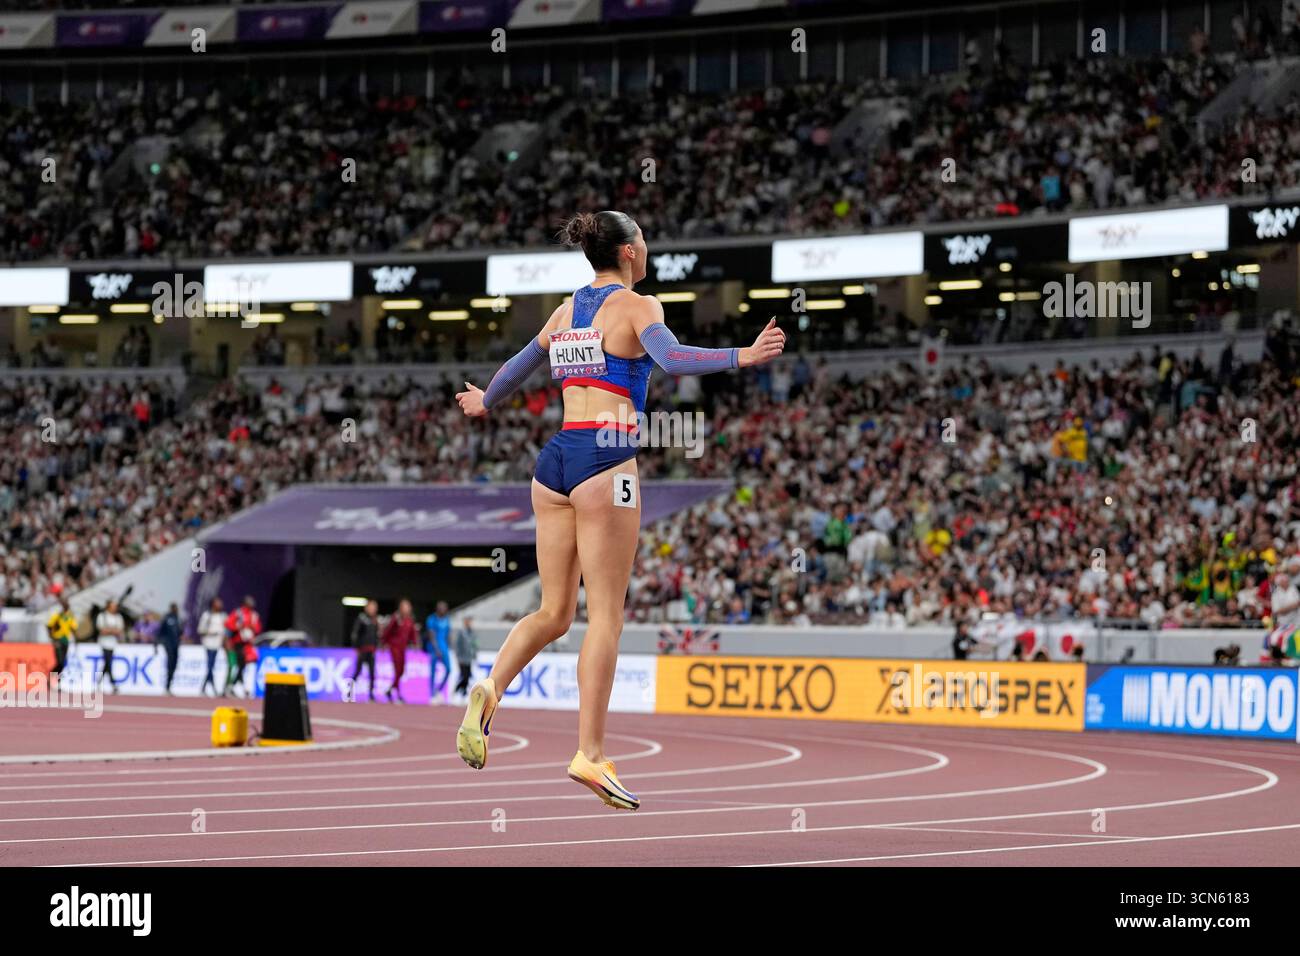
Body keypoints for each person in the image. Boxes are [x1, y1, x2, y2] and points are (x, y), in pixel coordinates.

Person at [454, 209, 785, 809]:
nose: (649, 246)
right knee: (605, 615)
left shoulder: (564, 310)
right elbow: (675, 359)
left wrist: (487, 401)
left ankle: (490, 689)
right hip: (606, 458)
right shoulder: (639, 306)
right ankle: (590, 752)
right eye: (645, 239)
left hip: (553, 462)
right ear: (629, 253)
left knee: (553, 611)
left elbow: (518, 367)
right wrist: (744, 356)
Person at [223, 595, 262, 698]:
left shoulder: (254, 615)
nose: (252, 603)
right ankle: (234, 686)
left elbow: (258, 629)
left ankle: (237, 686)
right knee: (237, 665)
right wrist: (239, 626)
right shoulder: (238, 613)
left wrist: (252, 628)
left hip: (248, 644)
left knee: (244, 665)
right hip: (237, 644)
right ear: (245, 602)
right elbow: (228, 624)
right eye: (250, 601)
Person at [381, 599, 419, 703]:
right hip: (394, 647)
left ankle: (390, 690)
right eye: (405, 606)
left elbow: (412, 633)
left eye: (408, 606)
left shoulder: (409, 620)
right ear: (400, 607)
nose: (407, 608)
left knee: (401, 670)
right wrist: (384, 642)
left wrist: (415, 644)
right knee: (398, 670)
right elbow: (388, 631)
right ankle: (397, 694)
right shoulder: (396, 618)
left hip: (403, 648)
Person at [349, 600, 380, 702]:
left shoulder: (375, 620)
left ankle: (371, 694)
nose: (373, 609)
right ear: (366, 608)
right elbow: (355, 634)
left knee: (372, 673)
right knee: (357, 671)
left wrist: (376, 646)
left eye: (374, 607)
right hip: (362, 650)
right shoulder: (361, 619)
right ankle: (349, 693)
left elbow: (376, 636)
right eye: (371, 607)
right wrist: (356, 648)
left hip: (371, 651)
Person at [94, 599, 126, 694]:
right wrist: (113, 631)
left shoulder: (118, 617)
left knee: (107, 663)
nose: (115, 608)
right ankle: (113, 683)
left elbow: (120, 630)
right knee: (108, 661)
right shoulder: (102, 616)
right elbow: (101, 630)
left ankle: (99, 682)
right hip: (104, 643)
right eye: (113, 606)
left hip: (113, 643)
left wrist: (109, 630)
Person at [424, 601, 453, 705]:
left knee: (449, 670)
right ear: (437, 608)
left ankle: (438, 690)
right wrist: (436, 649)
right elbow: (431, 635)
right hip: (434, 648)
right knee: (433, 671)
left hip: (444, 647)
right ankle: (431, 695)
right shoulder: (431, 619)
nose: (443, 610)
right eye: (441, 608)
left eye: (445, 608)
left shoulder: (447, 619)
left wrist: (450, 647)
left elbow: (448, 634)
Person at [197, 597, 226, 696]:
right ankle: (211, 687)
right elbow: (200, 630)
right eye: (218, 603)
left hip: (217, 644)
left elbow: (225, 630)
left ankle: (204, 687)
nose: (220, 604)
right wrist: (211, 632)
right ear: (213, 604)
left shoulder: (222, 616)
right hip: (208, 643)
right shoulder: (207, 615)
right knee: (210, 665)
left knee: (211, 666)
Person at [46, 596, 77, 685]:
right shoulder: (57, 615)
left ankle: (57, 681)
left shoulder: (70, 616)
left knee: (62, 663)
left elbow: (74, 628)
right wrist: (52, 638)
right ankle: (52, 678)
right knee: (60, 662)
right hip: (58, 640)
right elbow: (49, 626)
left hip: (66, 640)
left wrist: (75, 638)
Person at [154, 603, 182, 695]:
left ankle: (169, 685)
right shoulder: (167, 618)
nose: (176, 610)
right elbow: (160, 631)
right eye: (174, 608)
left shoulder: (178, 619)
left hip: (176, 645)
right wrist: (156, 643)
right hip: (168, 644)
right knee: (169, 664)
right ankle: (167, 686)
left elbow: (180, 632)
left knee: (174, 664)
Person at [453, 616, 479, 701]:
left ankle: (463, 694)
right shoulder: (461, 632)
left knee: (467, 677)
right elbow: (457, 644)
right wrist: (457, 656)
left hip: (469, 658)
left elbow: (475, 644)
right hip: (462, 658)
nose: (469, 623)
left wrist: (475, 654)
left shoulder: (472, 633)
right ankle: (456, 689)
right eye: (467, 621)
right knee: (464, 676)